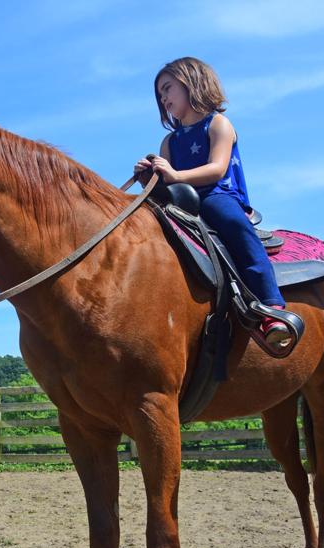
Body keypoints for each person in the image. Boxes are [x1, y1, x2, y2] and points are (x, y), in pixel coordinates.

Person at [134, 57, 292, 348]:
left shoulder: (218, 124)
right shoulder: (169, 142)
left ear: (192, 83)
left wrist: (175, 173)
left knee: (233, 225)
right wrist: (150, 179)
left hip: (217, 195)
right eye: (160, 95)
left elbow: (217, 169)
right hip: (181, 203)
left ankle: (271, 307)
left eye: (168, 88)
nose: (164, 98)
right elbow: (167, 184)